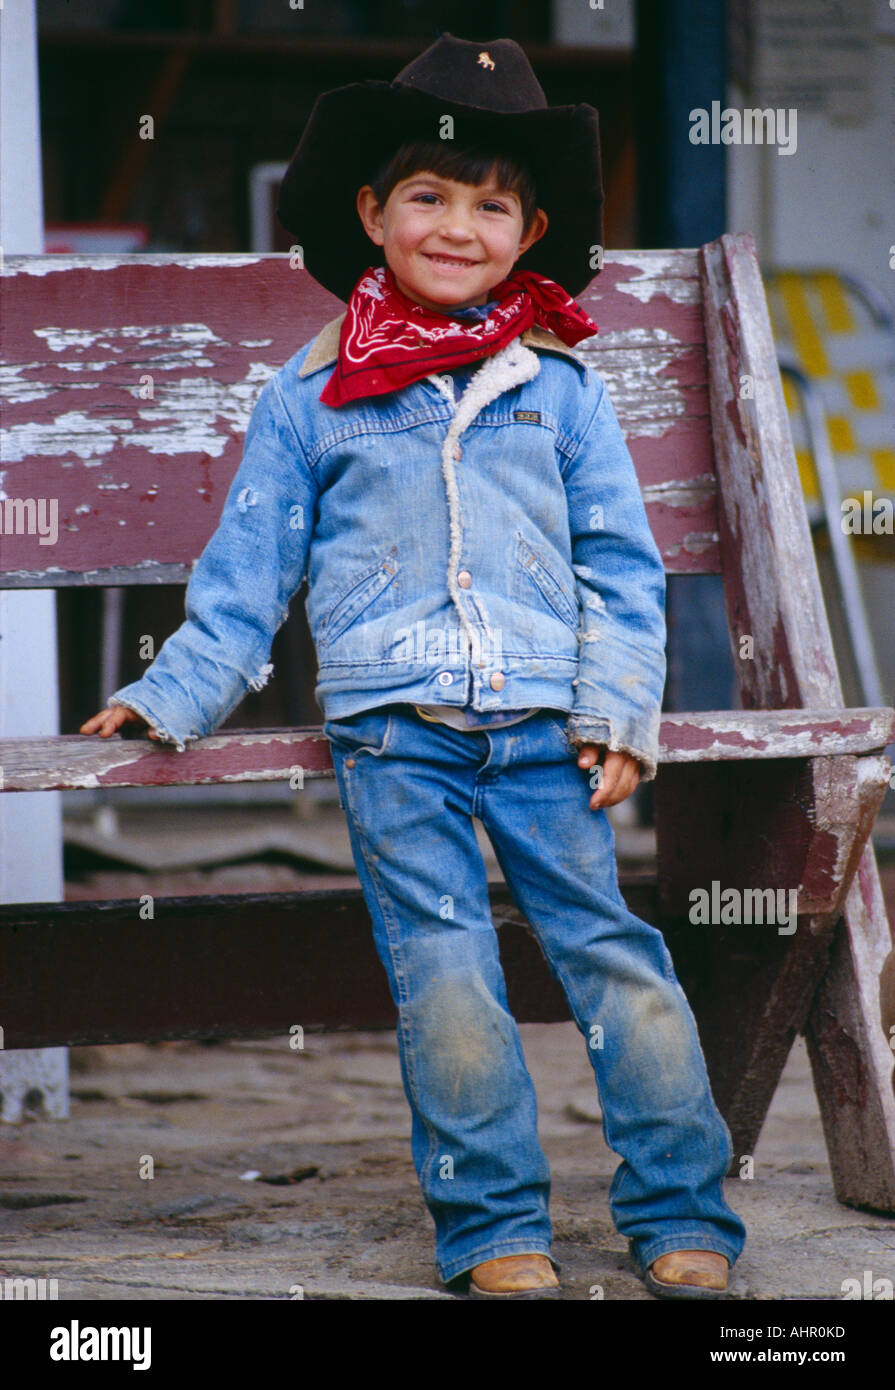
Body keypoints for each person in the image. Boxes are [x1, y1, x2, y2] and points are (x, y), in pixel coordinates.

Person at [80, 33, 746, 1300]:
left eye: (490, 202)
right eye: (427, 196)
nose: (457, 224)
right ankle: (493, 1229)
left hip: (552, 730)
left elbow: (621, 567)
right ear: (370, 213)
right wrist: (170, 692)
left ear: (529, 228)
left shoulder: (561, 389)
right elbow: (245, 579)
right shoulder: (309, 395)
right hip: (397, 735)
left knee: (614, 957)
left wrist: (617, 710)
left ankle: (682, 1209)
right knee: (444, 975)